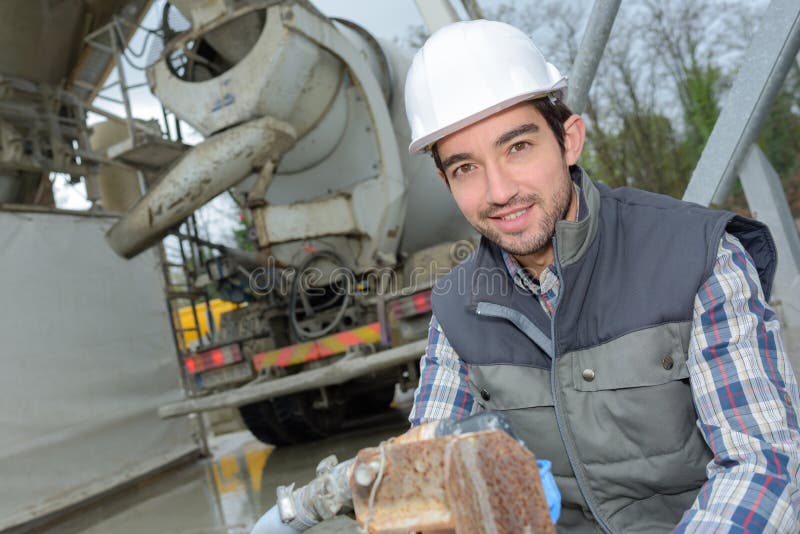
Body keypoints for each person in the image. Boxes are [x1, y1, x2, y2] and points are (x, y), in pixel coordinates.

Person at [404, 19, 800, 533]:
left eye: (517, 147)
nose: (498, 190)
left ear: (569, 140)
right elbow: (431, 489)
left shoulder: (696, 258)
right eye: (465, 168)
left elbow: (765, 466)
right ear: (445, 180)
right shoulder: (458, 310)